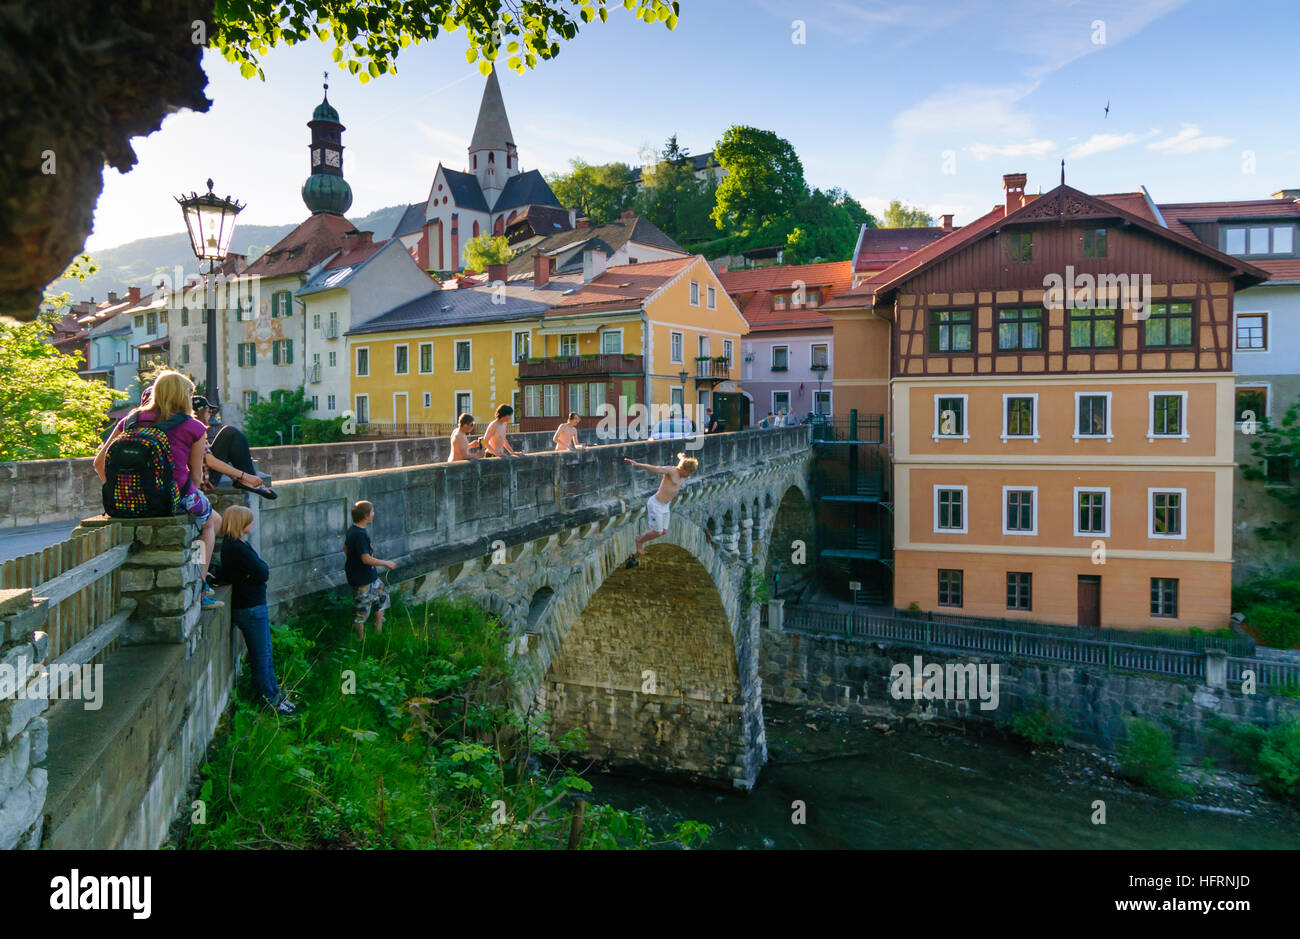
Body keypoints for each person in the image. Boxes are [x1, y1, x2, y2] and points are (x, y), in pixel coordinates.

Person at [94, 371, 223, 606]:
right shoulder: (194, 426)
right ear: (183, 396)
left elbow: (99, 464)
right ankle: (201, 584)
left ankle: (200, 579)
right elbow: (194, 478)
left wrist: (123, 492)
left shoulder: (131, 420)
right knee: (210, 522)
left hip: (127, 499)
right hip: (171, 497)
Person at [218, 505, 295, 715]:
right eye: (249, 520)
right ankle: (269, 701)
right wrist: (256, 572)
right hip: (250, 608)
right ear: (241, 523)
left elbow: (258, 571)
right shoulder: (237, 548)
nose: (252, 524)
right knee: (261, 655)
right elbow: (262, 571)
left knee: (266, 653)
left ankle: (275, 695)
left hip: (251, 606)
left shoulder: (235, 545)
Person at [623, 453, 699, 567]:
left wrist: (681, 456)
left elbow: (682, 460)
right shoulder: (671, 471)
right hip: (655, 504)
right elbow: (655, 468)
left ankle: (641, 540)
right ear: (684, 469)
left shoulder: (682, 470)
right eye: (689, 473)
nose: (689, 476)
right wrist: (638, 464)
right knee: (657, 531)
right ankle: (639, 541)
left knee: (664, 531)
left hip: (665, 506)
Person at [192, 397, 276, 499]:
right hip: (203, 481)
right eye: (208, 411)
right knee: (230, 433)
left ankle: (245, 481)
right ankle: (247, 481)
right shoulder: (194, 431)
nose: (210, 414)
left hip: (200, 478)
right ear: (200, 413)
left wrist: (234, 476)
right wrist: (245, 476)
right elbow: (209, 460)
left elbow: (211, 459)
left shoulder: (191, 429)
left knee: (231, 434)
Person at [344, 500, 396, 638]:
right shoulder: (360, 535)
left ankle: (378, 632)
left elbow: (345, 549)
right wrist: (386, 563)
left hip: (369, 576)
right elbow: (366, 559)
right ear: (366, 516)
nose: (374, 514)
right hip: (363, 580)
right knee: (362, 612)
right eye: (372, 511)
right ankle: (360, 642)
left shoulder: (353, 530)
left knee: (383, 598)